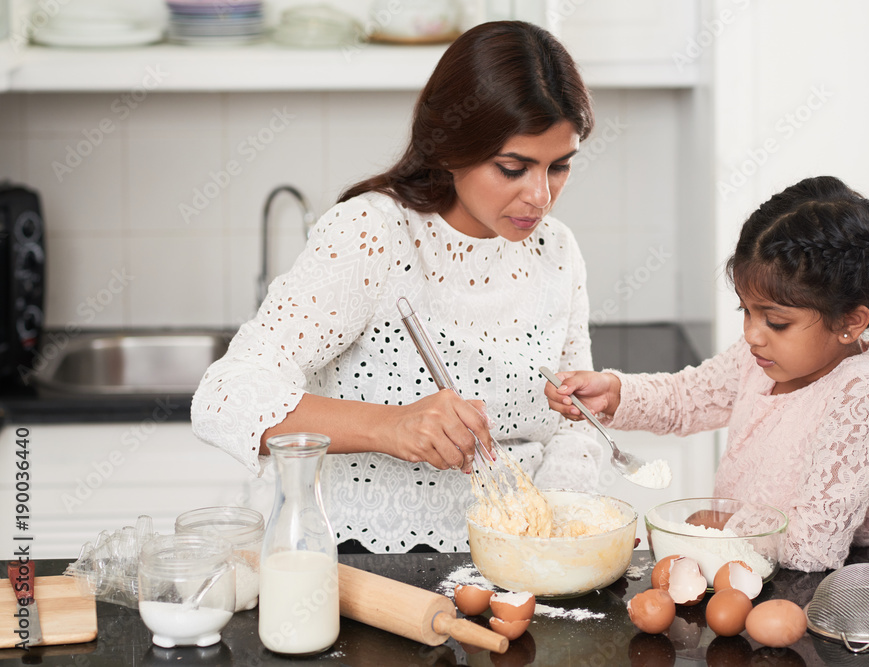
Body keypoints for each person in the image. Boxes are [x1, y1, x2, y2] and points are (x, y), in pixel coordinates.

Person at [192, 21, 602, 554]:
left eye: (559, 167)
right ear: (452, 147)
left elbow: (576, 423)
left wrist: (551, 528)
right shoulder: (372, 235)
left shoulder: (557, 251)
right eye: (513, 168)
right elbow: (222, 398)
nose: (541, 197)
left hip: (518, 570)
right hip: (370, 575)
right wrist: (391, 426)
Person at [545, 175, 869, 572]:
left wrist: (721, 524)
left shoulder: (861, 390)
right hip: (746, 573)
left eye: (776, 322)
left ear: (850, 323)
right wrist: (614, 393)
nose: (752, 334)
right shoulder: (765, 358)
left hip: (817, 599)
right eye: (746, 311)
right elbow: (688, 399)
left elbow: (812, 550)